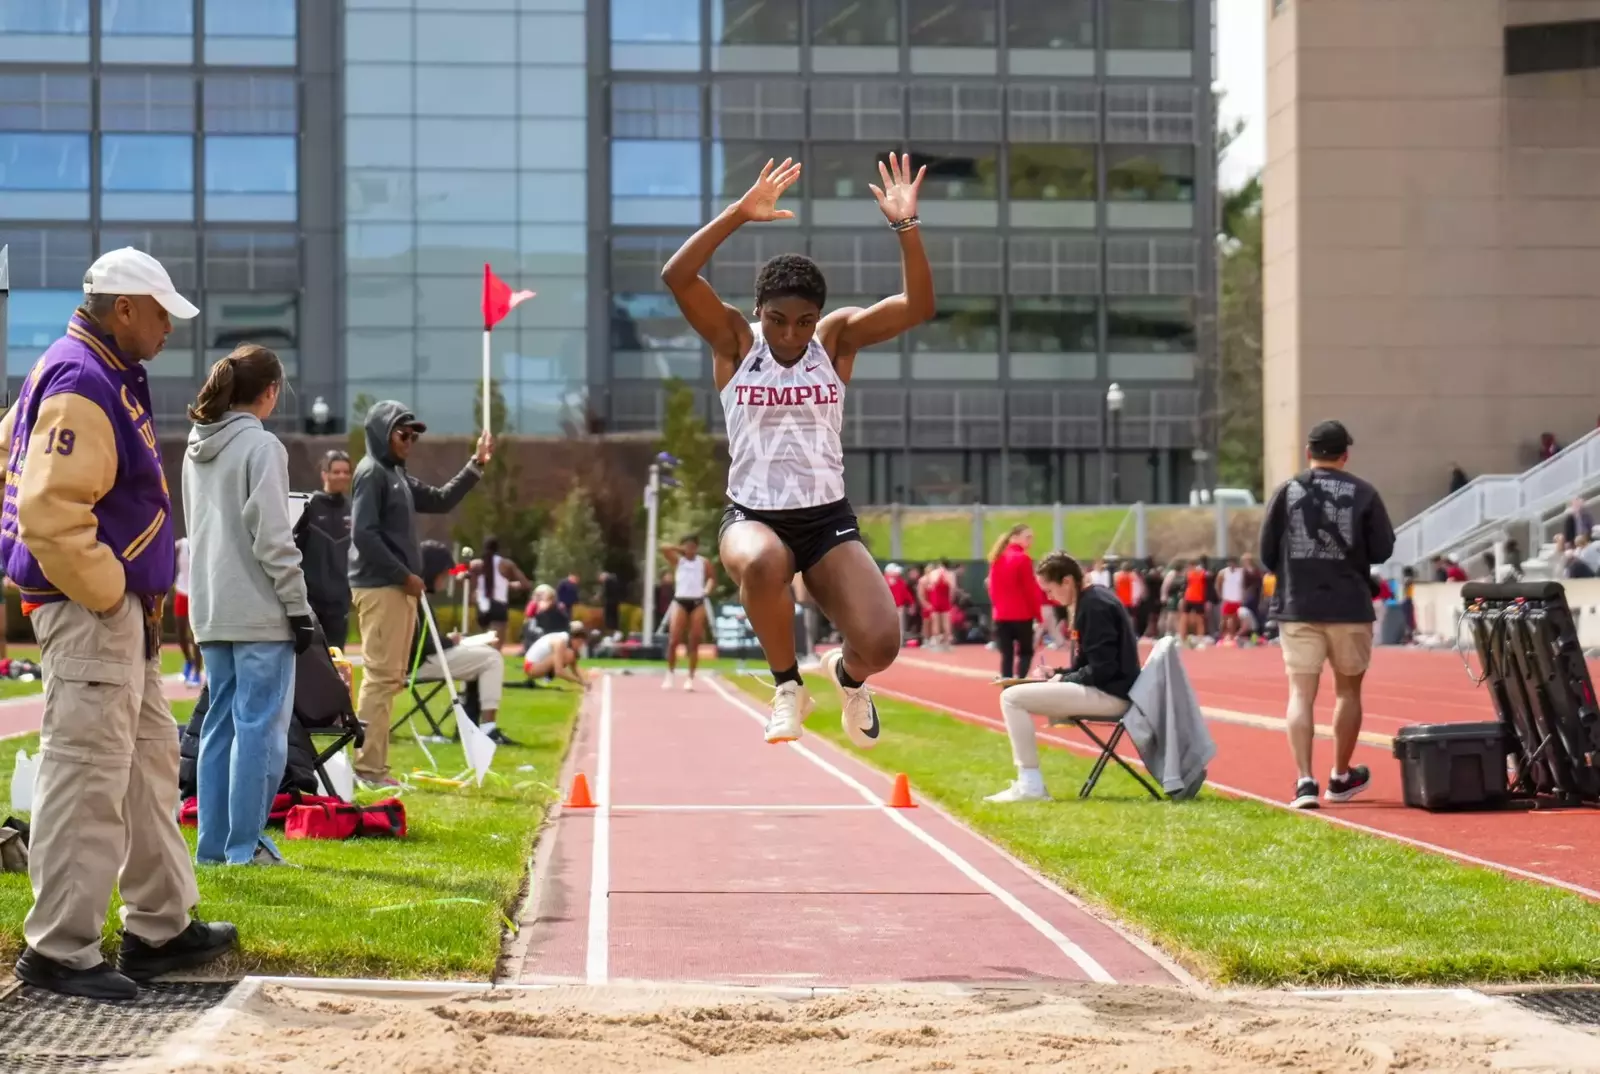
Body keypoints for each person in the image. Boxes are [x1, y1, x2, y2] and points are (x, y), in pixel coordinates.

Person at [1, 247, 235, 999]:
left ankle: (159, 925)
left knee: (145, 763)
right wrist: (107, 590)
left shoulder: (87, 371)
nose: (171, 327)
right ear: (124, 308)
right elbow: (45, 509)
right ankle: (60, 949)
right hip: (91, 609)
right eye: (162, 311)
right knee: (89, 771)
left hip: (110, 610)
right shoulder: (83, 378)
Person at [660, 152, 933, 746]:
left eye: (804, 321)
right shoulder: (735, 341)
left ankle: (846, 676)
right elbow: (677, 277)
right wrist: (739, 213)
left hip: (826, 519)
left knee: (882, 644)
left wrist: (905, 227)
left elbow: (918, 308)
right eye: (779, 320)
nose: (791, 334)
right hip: (753, 514)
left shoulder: (833, 341)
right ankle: (788, 686)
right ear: (759, 312)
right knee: (762, 563)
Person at [182, 345, 316, 867]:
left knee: (219, 726)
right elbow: (274, 540)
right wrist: (298, 606)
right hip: (260, 608)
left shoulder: (196, 447)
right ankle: (246, 847)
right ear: (270, 392)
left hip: (213, 606)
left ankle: (213, 848)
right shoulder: (263, 448)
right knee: (260, 730)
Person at [348, 400, 490, 789]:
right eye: (402, 433)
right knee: (380, 678)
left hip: (397, 588)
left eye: (413, 435)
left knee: (389, 678)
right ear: (381, 432)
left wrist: (475, 464)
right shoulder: (371, 473)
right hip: (381, 588)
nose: (409, 441)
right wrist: (404, 574)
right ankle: (368, 770)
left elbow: (442, 499)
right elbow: (363, 534)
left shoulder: (396, 475)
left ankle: (376, 767)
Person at [1258, 419, 1395, 809]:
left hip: (1299, 605)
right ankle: (1340, 774)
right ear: (1345, 454)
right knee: (1348, 692)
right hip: (1349, 605)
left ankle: (1304, 780)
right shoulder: (1365, 493)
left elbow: (1268, 552)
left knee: (1301, 693)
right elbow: (1382, 550)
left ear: (1308, 453)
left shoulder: (1287, 491)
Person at [985, 552, 1141, 803]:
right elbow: (1090, 666)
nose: (1050, 598)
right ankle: (1029, 783)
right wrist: (1057, 674)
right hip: (1109, 690)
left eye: (1050, 591)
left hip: (1112, 695)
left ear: (1067, 581)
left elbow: (1103, 669)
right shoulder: (1090, 600)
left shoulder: (1095, 605)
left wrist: (1065, 680)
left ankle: (1030, 784)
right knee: (1013, 694)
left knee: (1011, 698)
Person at [414, 541, 512, 744]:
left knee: (481, 655)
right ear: (433, 571)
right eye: (444, 573)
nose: (447, 577)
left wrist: (448, 640)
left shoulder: (417, 596)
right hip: (419, 663)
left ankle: (470, 727)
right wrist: (450, 641)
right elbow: (422, 643)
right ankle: (487, 729)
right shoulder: (416, 598)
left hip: (423, 658)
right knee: (492, 658)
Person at [299, 449, 354, 649]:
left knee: (337, 664)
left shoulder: (354, 510)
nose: (342, 476)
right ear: (324, 474)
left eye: (346, 472)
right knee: (307, 663)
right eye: (336, 471)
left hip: (339, 605)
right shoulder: (308, 507)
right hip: (309, 603)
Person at [987, 524, 1042, 680]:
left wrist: (997, 608)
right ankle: (1018, 680)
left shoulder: (996, 558)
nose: (1030, 541)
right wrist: (1038, 615)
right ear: (1015, 537)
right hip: (1021, 615)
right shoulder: (1023, 559)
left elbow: (991, 588)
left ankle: (1006, 683)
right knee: (1025, 652)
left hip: (1001, 615)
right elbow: (1030, 590)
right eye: (1028, 537)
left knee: (1007, 655)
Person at [660, 534, 713, 691]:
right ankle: (670, 674)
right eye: (687, 547)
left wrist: (707, 590)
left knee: (694, 639)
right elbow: (663, 548)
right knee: (674, 639)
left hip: (697, 602)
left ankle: (690, 678)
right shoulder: (679, 561)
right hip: (680, 601)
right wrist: (680, 549)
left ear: (696, 548)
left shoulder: (703, 562)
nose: (690, 550)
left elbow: (711, 578)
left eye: (692, 547)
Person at [471, 536, 531, 648]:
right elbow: (525, 584)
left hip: (482, 606)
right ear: (498, 548)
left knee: (482, 645)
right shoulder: (506, 564)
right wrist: (510, 585)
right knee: (496, 648)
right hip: (498, 606)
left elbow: (458, 573)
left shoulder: (476, 564)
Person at [173, 535, 202, 686]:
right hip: (181, 592)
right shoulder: (182, 544)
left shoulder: (202, 543)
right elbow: (168, 549)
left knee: (195, 635)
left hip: (196, 594)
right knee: (181, 633)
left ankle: (197, 672)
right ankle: (189, 661)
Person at [523, 621, 589, 688]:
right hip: (530, 667)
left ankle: (546, 677)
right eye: (579, 642)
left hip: (535, 664)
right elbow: (559, 672)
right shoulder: (560, 642)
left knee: (570, 655)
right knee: (568, 655)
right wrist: (579, 681)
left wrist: (584, 681)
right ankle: (545, 678)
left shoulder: (565, 639)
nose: (580, 646)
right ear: (573, 638)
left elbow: (574, 667)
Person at [920, 560, 954, 649]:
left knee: (937, 622)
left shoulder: (933, 575)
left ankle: (938, 641)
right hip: (943, 601)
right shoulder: (949, 575)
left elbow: (931, 585)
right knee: (944, 622)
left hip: (937, 601)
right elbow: (952, 588)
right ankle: (945, 642)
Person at [1216, 556, 1247, 642]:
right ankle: (1221, 636)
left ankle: (1232, 636)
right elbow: (1218, 584)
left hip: (1237, 600)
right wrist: (1220, 595)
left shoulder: (1240, 572)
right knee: (1224, 619)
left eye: (1233, 562)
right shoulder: (1223, 572)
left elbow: (1243, 584)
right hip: (1227, 599)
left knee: (1235, 620)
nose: (1231, 564)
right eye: (1230, 562)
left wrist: (1243, 596)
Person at [1180, 558, 1209, 645]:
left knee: (1197, 619)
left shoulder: (1197, 573)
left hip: (1196, 598)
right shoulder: (1193, 573)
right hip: (1191, 598)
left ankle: (1198, 638)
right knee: (1186, 618)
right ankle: (1184, 638)